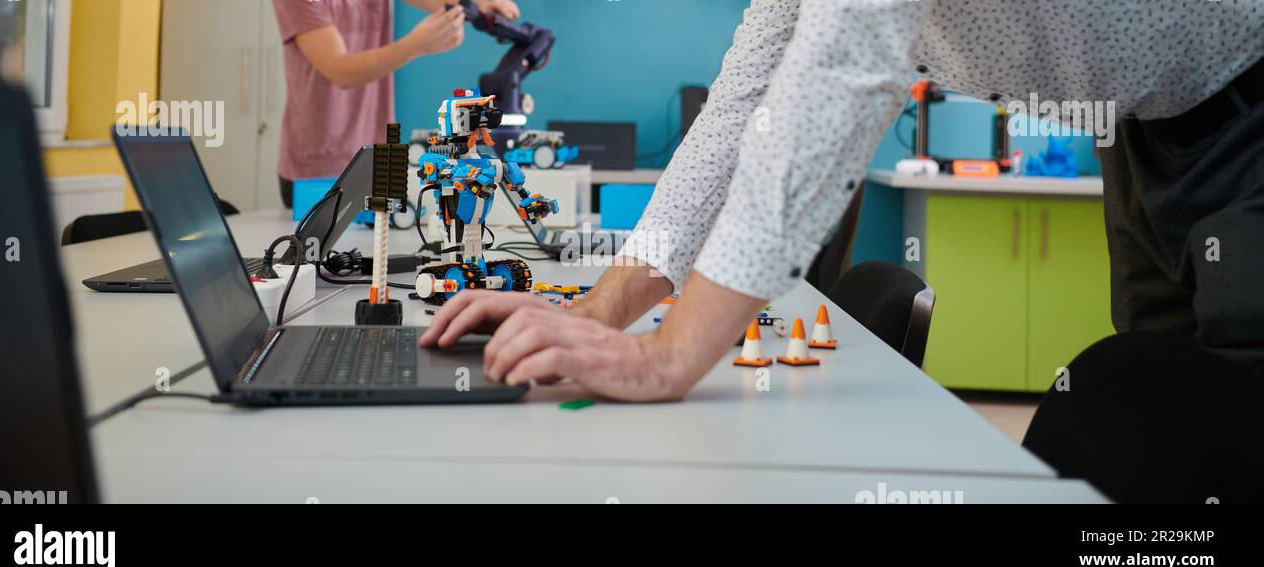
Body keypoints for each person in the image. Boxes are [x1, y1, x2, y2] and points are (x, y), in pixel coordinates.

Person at [422, 0, 1264, 405]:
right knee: (1175, 410)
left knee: (1238, 413)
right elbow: (741, 107)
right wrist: (601, 311)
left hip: (1247, 96)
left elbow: (838, 72)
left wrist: (668, 357)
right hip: (1148, 122)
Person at [272, 0, 521, 209]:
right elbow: (340, 70)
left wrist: (476, 4)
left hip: (376, 162)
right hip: (317, 170)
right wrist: (415, 45)